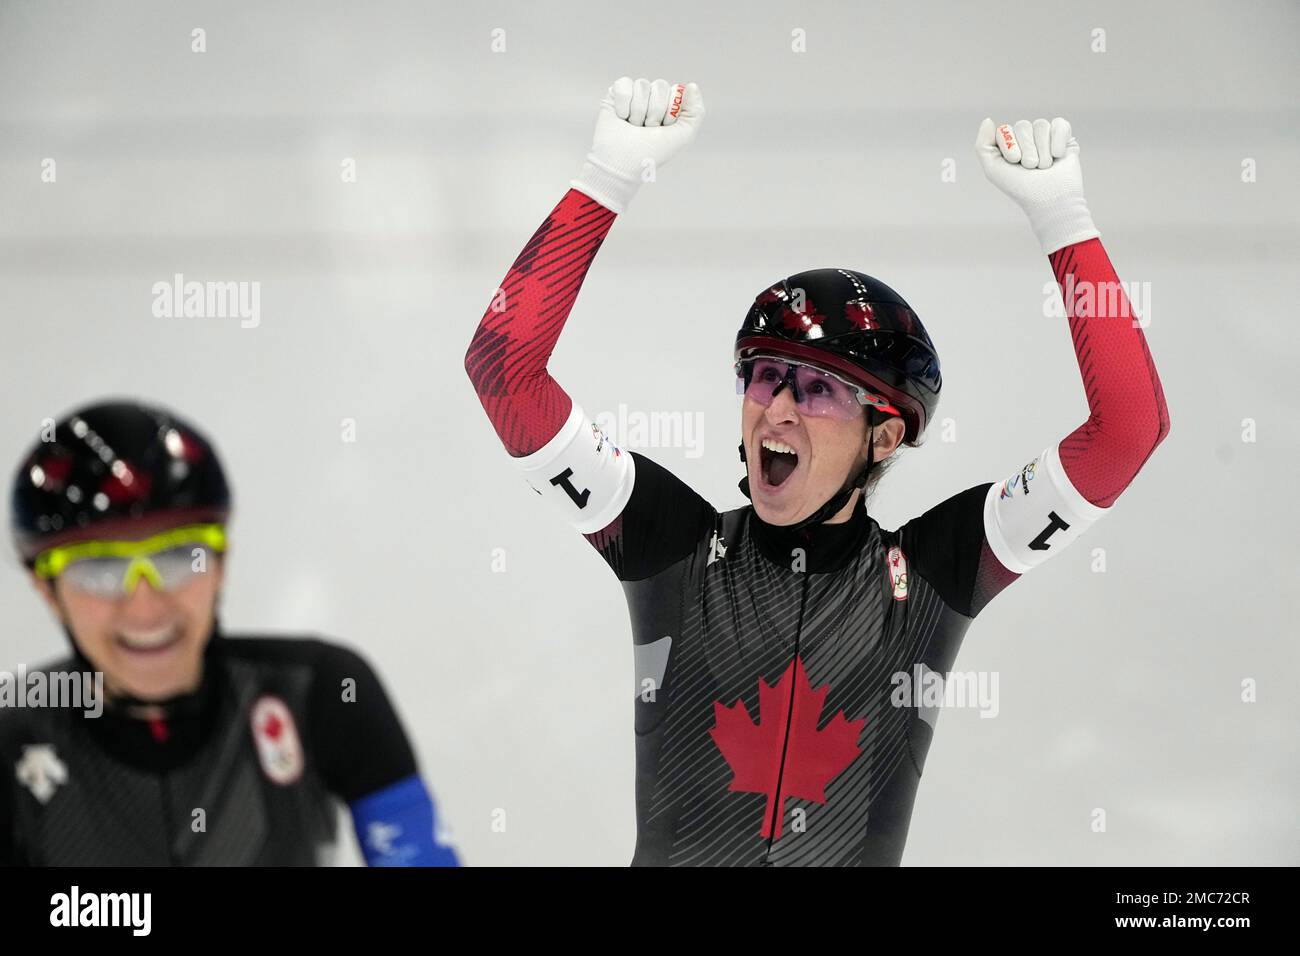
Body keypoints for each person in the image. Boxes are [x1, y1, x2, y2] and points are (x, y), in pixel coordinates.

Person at [465, 77, 1170, 867]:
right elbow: (504, 373)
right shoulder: (672, 546)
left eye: (819, 390)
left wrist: (1065, 221)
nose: (778, 410)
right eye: (764, 376)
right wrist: (605, 177)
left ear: (885, 435)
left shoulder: (933, 574)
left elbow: (1129, 431)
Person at [0, 400, 459, 866]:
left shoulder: (320, 690)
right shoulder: (9, 731)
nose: (144, 605)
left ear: (220, 564)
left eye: (179, 556)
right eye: (98, 569)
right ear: (46, 588)